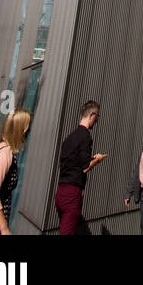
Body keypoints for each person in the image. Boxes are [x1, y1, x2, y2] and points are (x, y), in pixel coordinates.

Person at [55, 100, 106, 235]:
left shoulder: (69, 138)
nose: (96, 121)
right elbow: (85, 167)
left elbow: (73, 162)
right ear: (92, 115)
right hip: (72, 193)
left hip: (60, 191)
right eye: (97, 117)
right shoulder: (85, 137)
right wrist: (98, 160)